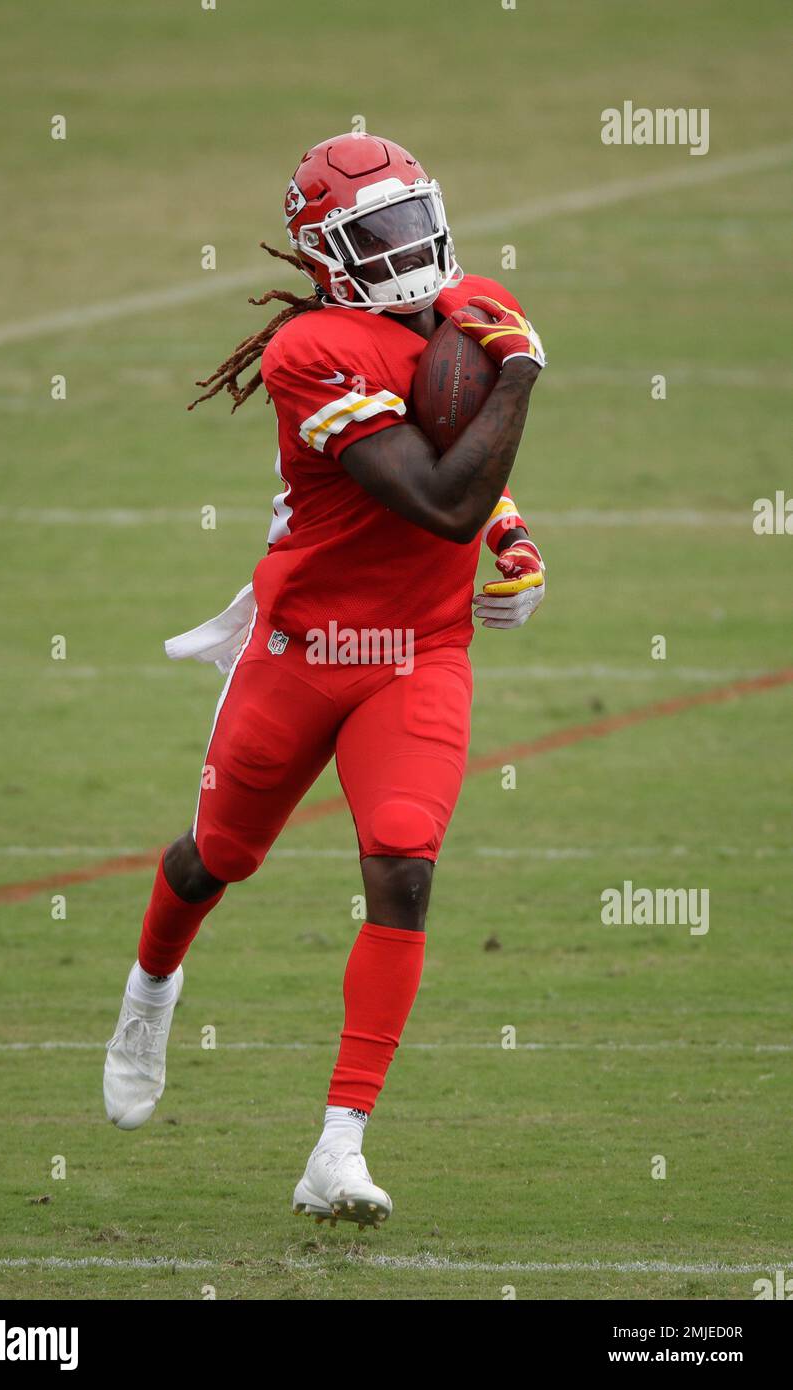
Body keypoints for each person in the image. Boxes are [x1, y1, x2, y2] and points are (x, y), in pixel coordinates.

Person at [104, 132, 546, 1231]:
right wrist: (523, 370)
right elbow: (429, 493)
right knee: (217, 858)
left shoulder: (468, 309)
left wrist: (514, 531)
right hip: (306, 648)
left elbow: (468, 463)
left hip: (419, 651)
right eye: (375, 233)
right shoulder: (313, 348)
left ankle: (336, 1148)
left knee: (402, 862)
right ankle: (150, 989)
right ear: (325, 256)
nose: (408, 248)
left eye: (412, 219)